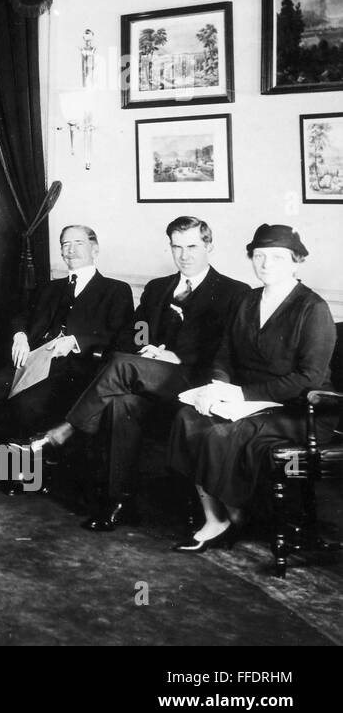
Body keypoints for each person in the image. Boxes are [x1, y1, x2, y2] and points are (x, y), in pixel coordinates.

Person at [20, 216, 248, 530]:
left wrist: (175, 356)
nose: (184, 255)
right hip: (148, 374)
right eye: (177, 247)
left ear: (209, 245)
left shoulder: (233, 292)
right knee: (121, 403)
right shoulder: (158, 289)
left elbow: (227, 349)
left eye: (192, 246)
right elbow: (134, 334)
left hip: (196, 381)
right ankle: (120, 501)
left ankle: (64, 430)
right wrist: (148, 349)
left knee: (122, 366)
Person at [167, 224, 336, 553]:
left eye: (276, 257)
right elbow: (224, 355)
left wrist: (242, 395)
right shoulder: (247, 300)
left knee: (220, 435)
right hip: (246, 403)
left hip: (300, 410)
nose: (266, 264)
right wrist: (219, 387)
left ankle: (238, 515)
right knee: (188, 418)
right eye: (259, 256)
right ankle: (216, 517)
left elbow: (310, 378)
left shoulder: (311, 308)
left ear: (295, 262)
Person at [0, 224, 134, 445]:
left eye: (79, 243)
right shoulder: (49, 288)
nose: (71, 250)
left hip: (75, 368)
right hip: (33, 361)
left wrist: (77, 341)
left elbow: (122, 336)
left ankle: (30, 454)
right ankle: (24, 447)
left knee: (25, 404)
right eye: (66, 244)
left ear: (95, 250)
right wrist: (20, 335)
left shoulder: (116, 290)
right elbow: (21, 316)